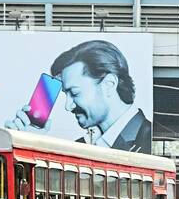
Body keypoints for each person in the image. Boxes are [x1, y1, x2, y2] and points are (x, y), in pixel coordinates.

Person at [10, 40, 151, 152]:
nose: (68, 106)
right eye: (66, 94)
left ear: (109, 84)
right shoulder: (81, 147)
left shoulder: (147, 140)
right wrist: (28, 145)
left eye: (75, 93)